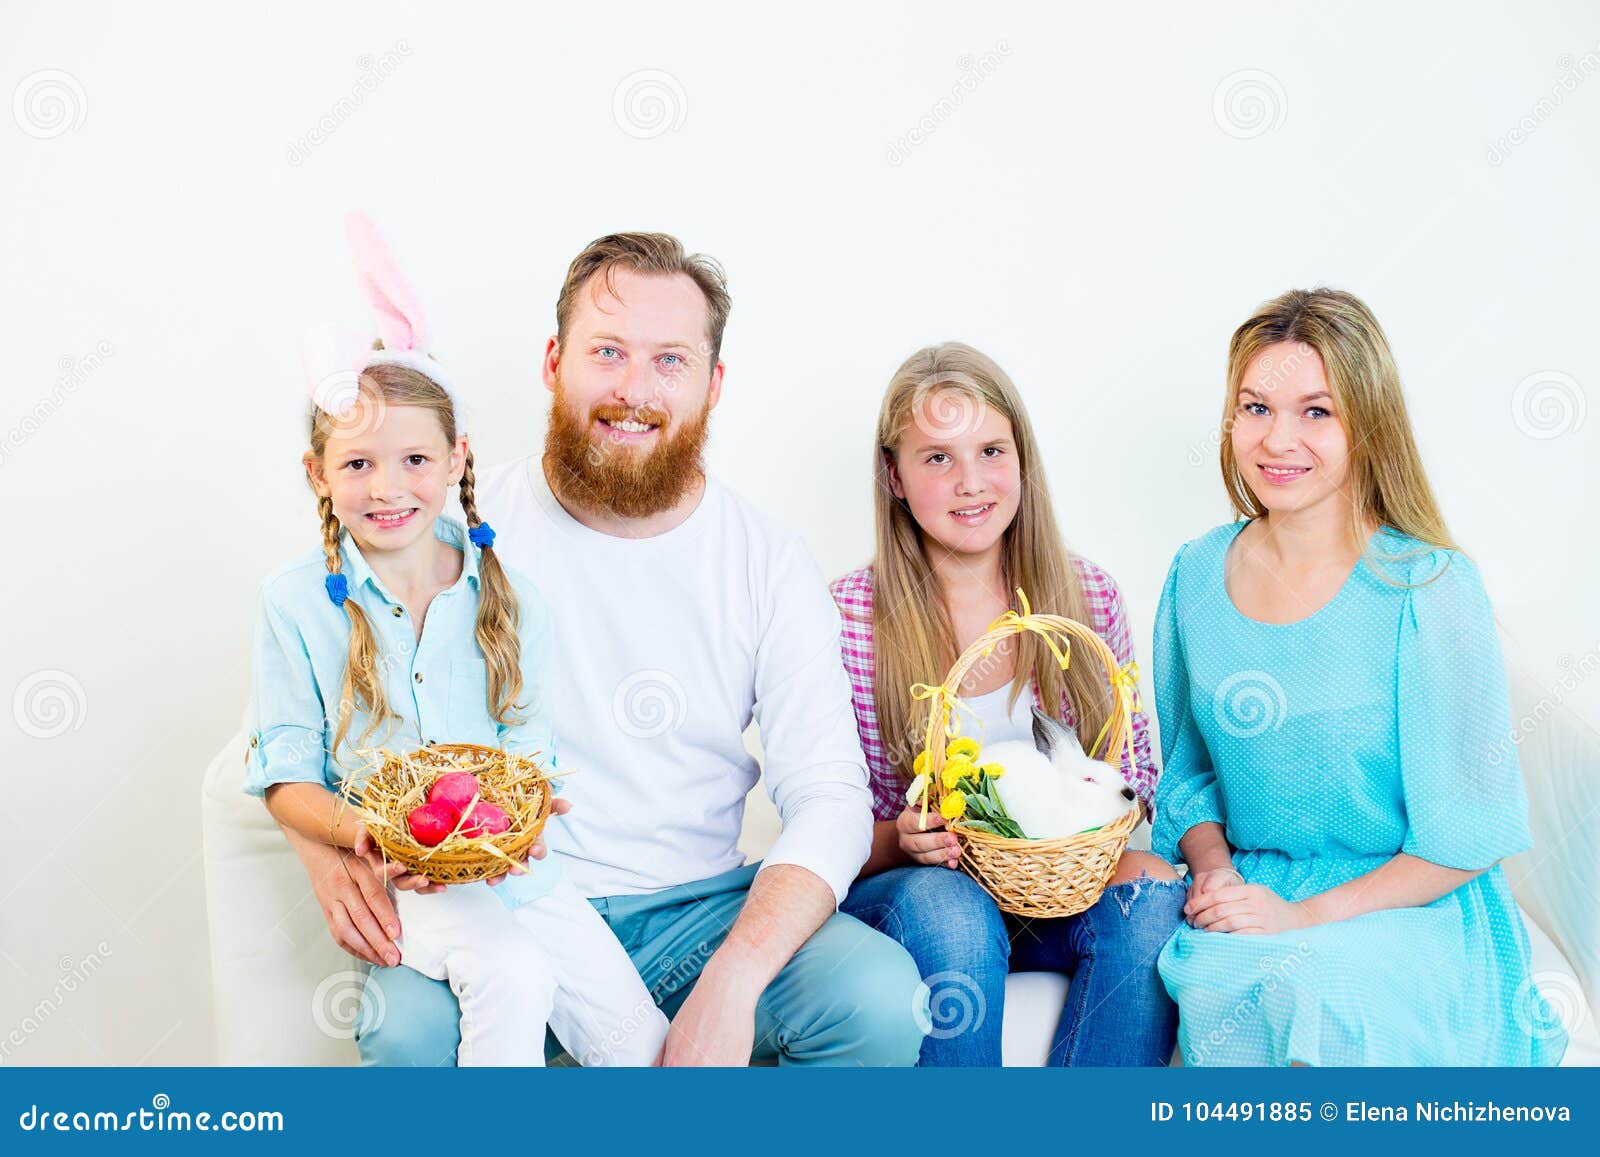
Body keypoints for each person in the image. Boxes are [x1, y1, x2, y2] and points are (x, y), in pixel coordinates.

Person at [333, 231, 927, 1066]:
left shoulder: (765, 558)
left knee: (879, 1001)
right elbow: (315, 714)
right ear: (553, 361)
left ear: (714, 385)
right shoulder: (448, 528)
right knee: (406, 1032)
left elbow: (829, 795)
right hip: (497, 906)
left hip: (702, 914)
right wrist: (324, 850)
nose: (633, 390)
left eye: (669, 361)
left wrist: (734, 979)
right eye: (606, 351)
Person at [249, 214, 667, 1065]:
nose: (388, 487)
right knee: (512, 977)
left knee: (640, 1043)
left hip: (520, 875)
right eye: (358, 464)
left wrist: (527, 812)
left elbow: (528, 742)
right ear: (318, 476)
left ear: (455, 461)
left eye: (413, 460)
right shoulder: (295, 603)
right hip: (415, 881)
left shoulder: (506, 594)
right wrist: (363, 830)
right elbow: (284, 775)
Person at [1153, 287, 1567, 1066]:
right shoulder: (1196, 575)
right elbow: (1188, 773)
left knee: (1313, 993)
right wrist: (1216, 880)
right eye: (1255, 407)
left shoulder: (1429, 589)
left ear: (1367, 424)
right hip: (1259, 889)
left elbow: (1465, 837)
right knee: (1240, 989)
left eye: (1317, 411)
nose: (1278, 439)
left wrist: (1303, 919)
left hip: (1410, 904)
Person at [832, 341, 1186, 1066]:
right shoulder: (848, 618)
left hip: (1059, 894)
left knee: (1151, 894)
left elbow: (1139, 771)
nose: (971, 483)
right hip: (925, 902)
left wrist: (1098, 815)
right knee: (953, 907)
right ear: (893, 476)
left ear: (1022, 460)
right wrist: (904, 839)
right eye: (937, 458)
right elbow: (824, 826)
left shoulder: (1087, 597)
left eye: (992, 450)